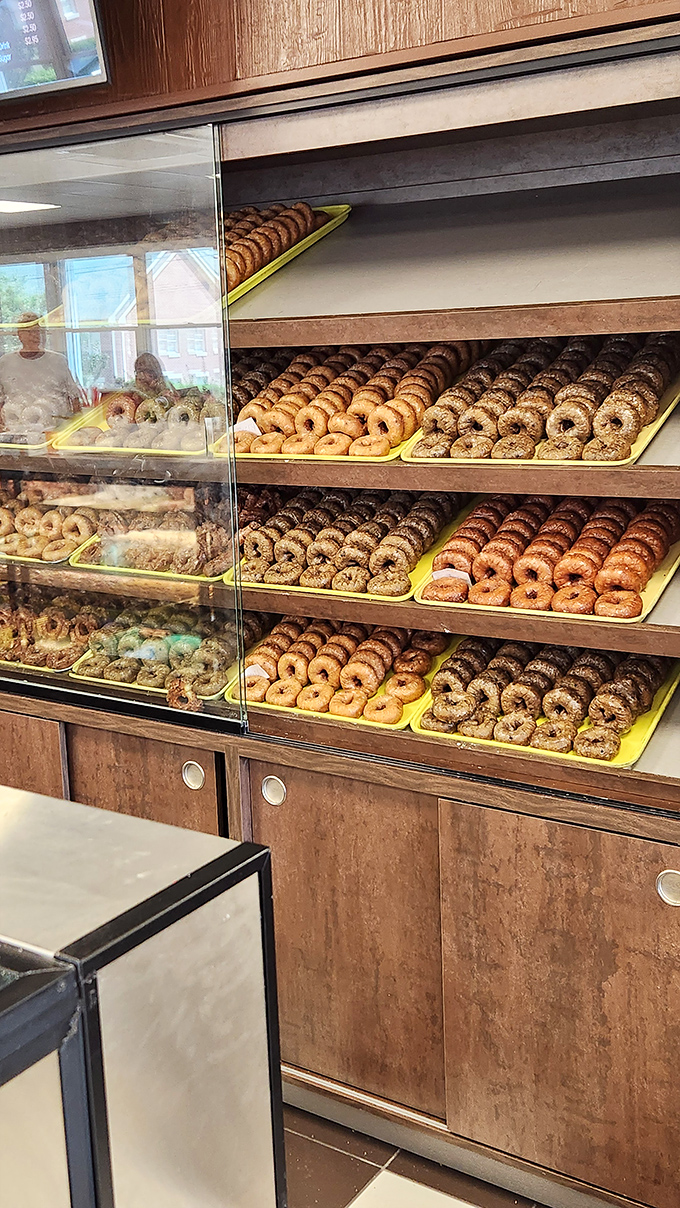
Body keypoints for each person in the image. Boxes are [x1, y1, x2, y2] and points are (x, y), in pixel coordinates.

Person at [0, 312, 81, 433]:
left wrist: (75, 428)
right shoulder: (5, 362)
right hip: (14, 434)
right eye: (29, 332)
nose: (35, 336)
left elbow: (75, 401)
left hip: (54, 434)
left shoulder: (58, 361)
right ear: (19, 335)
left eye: (39, 331)